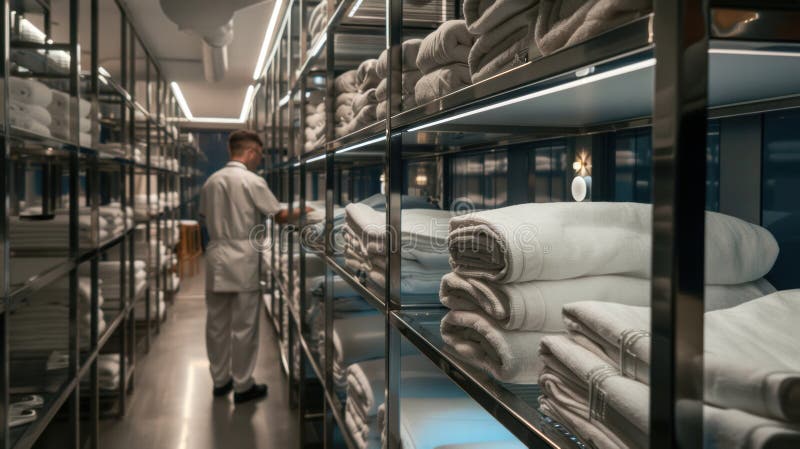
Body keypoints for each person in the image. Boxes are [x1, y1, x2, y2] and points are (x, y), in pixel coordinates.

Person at [198, 129, 294, 404]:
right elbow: (280, 216)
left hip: (216, 255)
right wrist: (306, 212)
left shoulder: (211, 182)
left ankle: (220, 381)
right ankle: (242, 386)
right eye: (260, 154)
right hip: (243, 257)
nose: (260, 160)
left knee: (216, 323)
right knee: (244, 325)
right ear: (251, 152)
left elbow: (204, 218)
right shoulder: (253, 181)